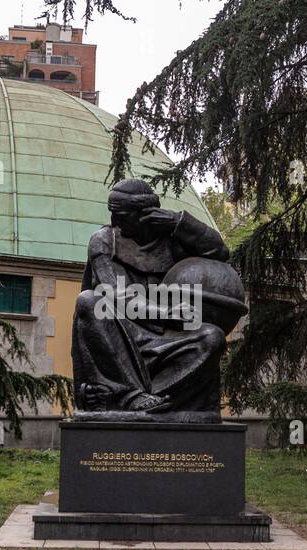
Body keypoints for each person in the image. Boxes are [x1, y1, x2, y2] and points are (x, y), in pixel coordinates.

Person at [72, 178, 230, 415]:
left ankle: (160, 397)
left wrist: (180, 222)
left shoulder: (174, 238)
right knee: (89, 300)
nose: (114, 220)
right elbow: (117, 295)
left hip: (167, 336)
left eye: (122, 214)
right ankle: (130, 396)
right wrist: (168, 314)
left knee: (212, 338)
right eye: (112, 213)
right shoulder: (104, 240)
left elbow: (218, 252)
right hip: (121, 332)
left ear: (144, 214)